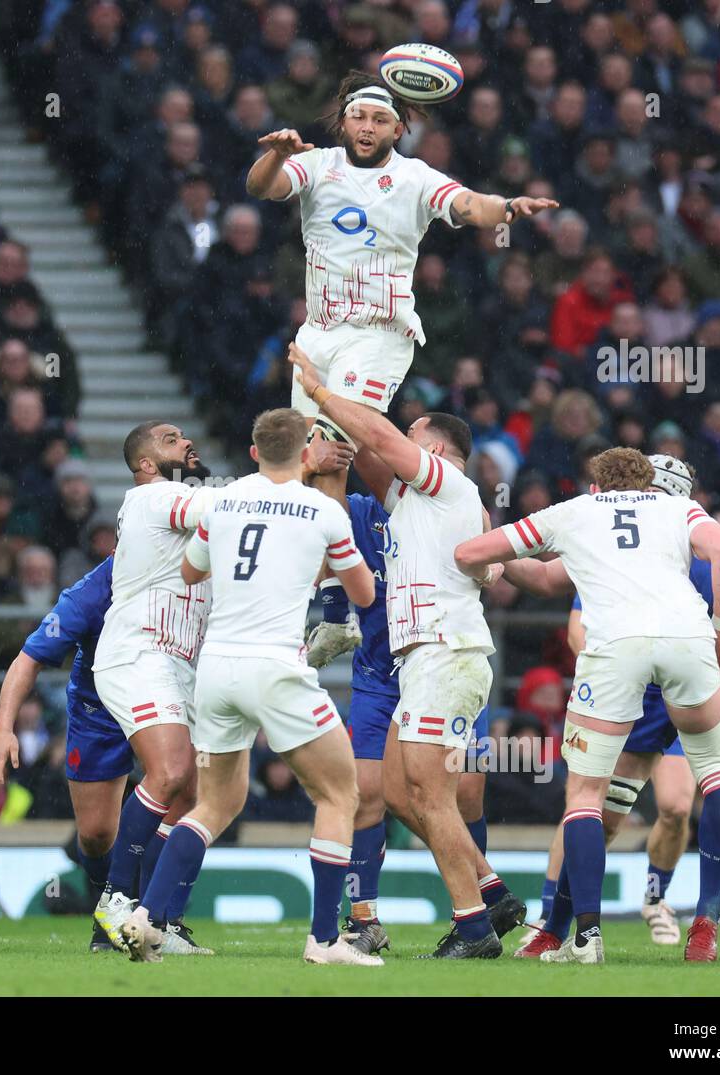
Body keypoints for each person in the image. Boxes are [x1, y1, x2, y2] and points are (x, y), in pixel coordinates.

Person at [245, 70, 556, 659]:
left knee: (339, 435)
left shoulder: (413, 177)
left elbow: (466, 204)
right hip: (319, 334)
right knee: (314, 462)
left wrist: (506, 207)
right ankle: (337, 608)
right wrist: (275, 155)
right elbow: (262, 187)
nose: (368, 128)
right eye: (359, 117)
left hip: (381, 332)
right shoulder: (317, 166)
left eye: (381, 120)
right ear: (344, 121)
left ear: (399, 127)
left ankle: (339, 602)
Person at [455, 447, 720, 965]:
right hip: (689, 643)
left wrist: (478, 544)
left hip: (617, 651)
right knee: (714, 773)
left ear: (597, 482)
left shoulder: (576, 510)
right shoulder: (679, 511)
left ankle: (585, 937)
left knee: (586, 795)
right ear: (649, 482)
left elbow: (472, 554)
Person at [120, 408, 379, 965]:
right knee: (340, 793)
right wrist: (315, 567)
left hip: (216, 671)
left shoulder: (229, 497)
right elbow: (363, 595)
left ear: (255, 451)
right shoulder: (322, 510)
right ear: (309, 451)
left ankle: (146, 916)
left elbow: (191, 572)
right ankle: (325, 941)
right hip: (276, 670)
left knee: (217, 803)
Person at [290, 345, 525, 958]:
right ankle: (491, 893)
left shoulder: (448, 484)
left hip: (446, 652)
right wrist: (331, 433)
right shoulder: (416, 505)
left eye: (415, 432)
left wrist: (320, 390)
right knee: (397, 791)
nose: (404, 435)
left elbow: (378, 436)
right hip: (422, 659)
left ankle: (474, 925)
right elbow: (366, 451)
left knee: (432, 795)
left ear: (436, 453)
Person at [305, 447, 492, 956]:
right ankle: (366, 917)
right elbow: (327, 515)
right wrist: (326, 457)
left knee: (462, 793)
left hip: (441, 663)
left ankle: (481, 900)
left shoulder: (461, 510)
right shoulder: (367, 511)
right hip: (379, 674)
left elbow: (490, 572)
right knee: (368, 792)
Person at [0, 555, 210, 956]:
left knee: (184, 788)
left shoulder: (192, 573)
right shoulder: (91, 592)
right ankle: (113, 909)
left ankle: (162, 919)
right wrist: (4, 728)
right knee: (94, 835)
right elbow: (28, 659)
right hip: (99, 713)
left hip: (170, 698)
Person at [89, 421, 216, 947]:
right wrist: (290, 476)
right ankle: (114, 900)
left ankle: (154, 920)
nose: (187, 442)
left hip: (178, 662)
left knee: (193, 792)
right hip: (140, 651)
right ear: (145, 464)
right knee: (168, 772)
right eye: (170, 440)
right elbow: (230, 511)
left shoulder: (185, 512)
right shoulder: (153, 498)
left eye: (186, 435)